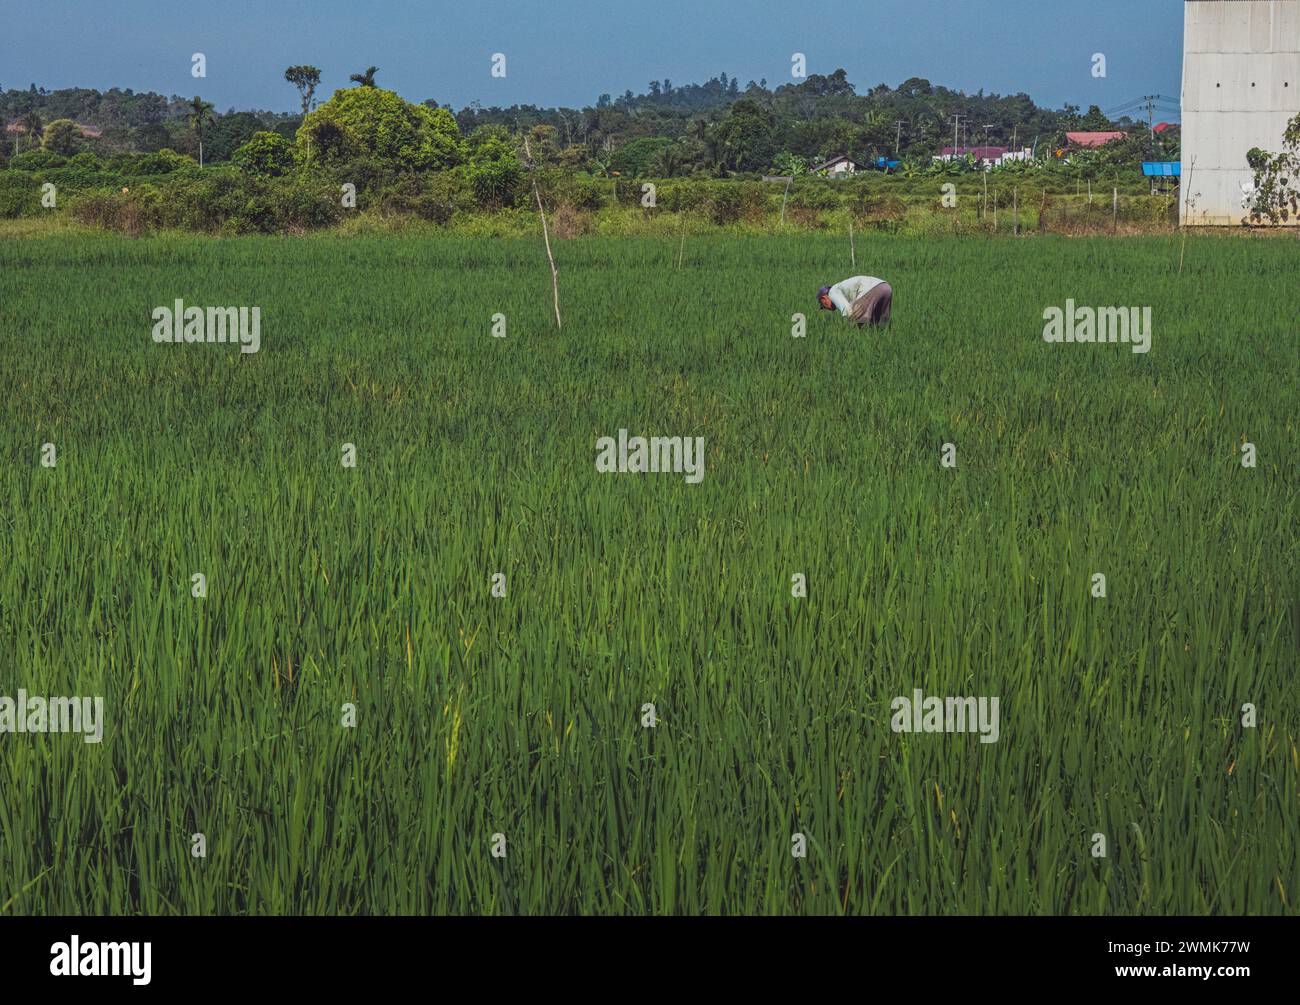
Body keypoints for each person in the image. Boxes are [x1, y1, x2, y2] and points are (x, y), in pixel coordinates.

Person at [817, 275, 893, 326]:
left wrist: (846, 329)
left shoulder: (832, 292)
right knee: (880, 325)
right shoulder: (840, 288)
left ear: (823, 298)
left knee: (858, 323)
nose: (826, 308)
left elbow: (847, 310)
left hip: (870, 289)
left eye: (823, 305)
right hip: (886, 287)